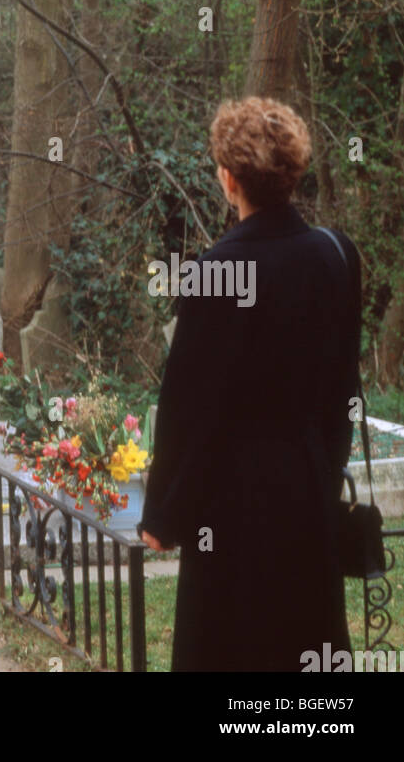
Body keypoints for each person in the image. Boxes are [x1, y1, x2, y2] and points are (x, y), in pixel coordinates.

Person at [138, 97, 362, 672]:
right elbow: (344, 387)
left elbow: (189, 405)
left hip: (232, 505)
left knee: (233, 648)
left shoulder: (216, 271)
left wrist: (162, 517)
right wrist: (324, 465)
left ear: (229, 179)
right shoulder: (336, 256)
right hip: (309, 488)